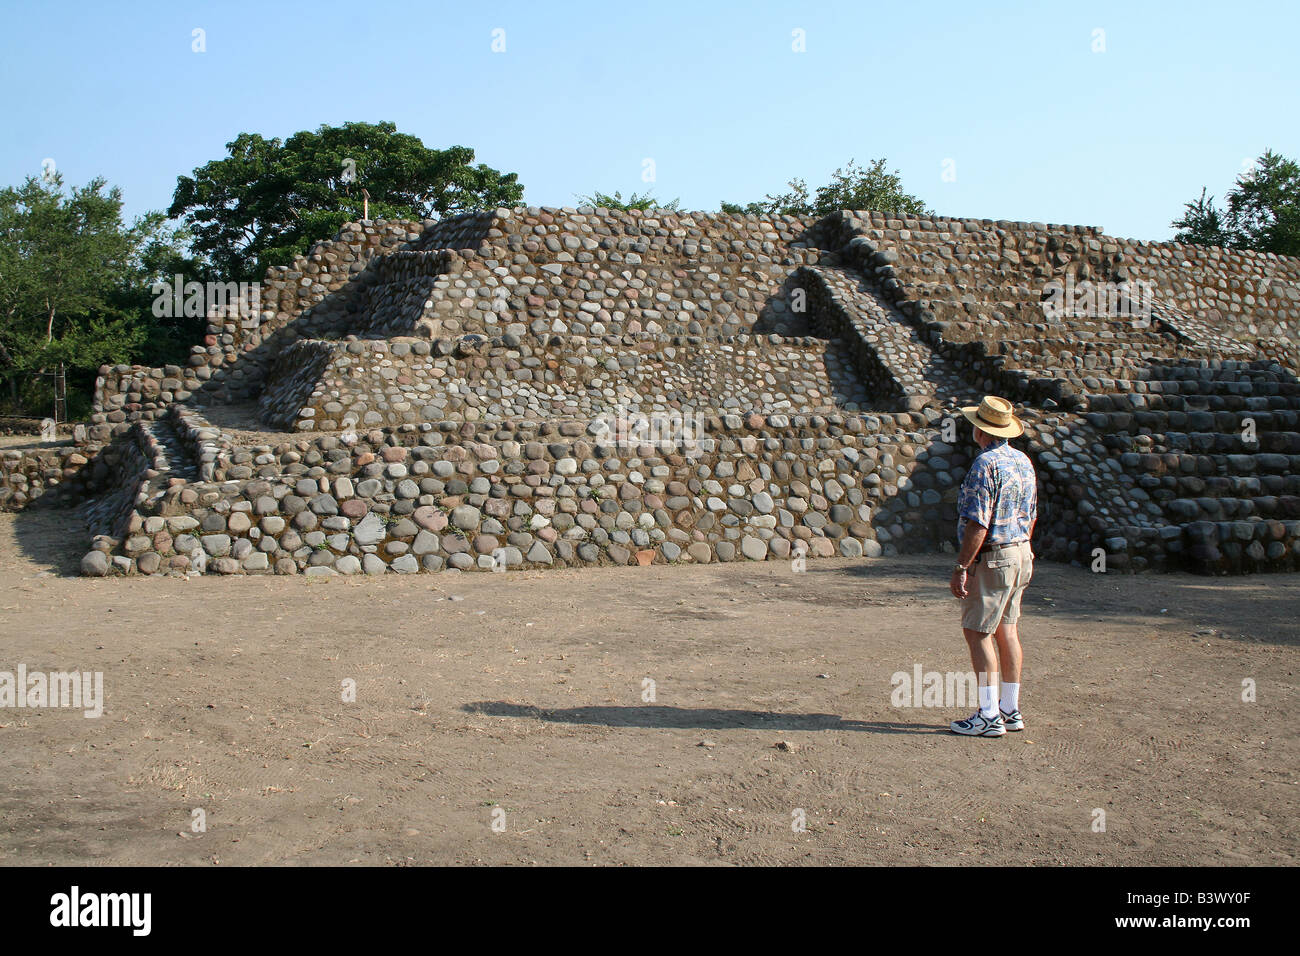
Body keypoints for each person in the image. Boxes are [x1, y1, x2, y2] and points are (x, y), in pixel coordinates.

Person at [947, 396, 1037, 738]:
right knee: (1007, 629)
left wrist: (962, 566)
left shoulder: (985, 465)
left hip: (995, 556)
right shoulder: (1023, 462)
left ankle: (988, 714)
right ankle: (1009, 709)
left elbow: (977, 524)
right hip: (1020, 551)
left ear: (979, 429)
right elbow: (1032, 512)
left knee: (978, 632)